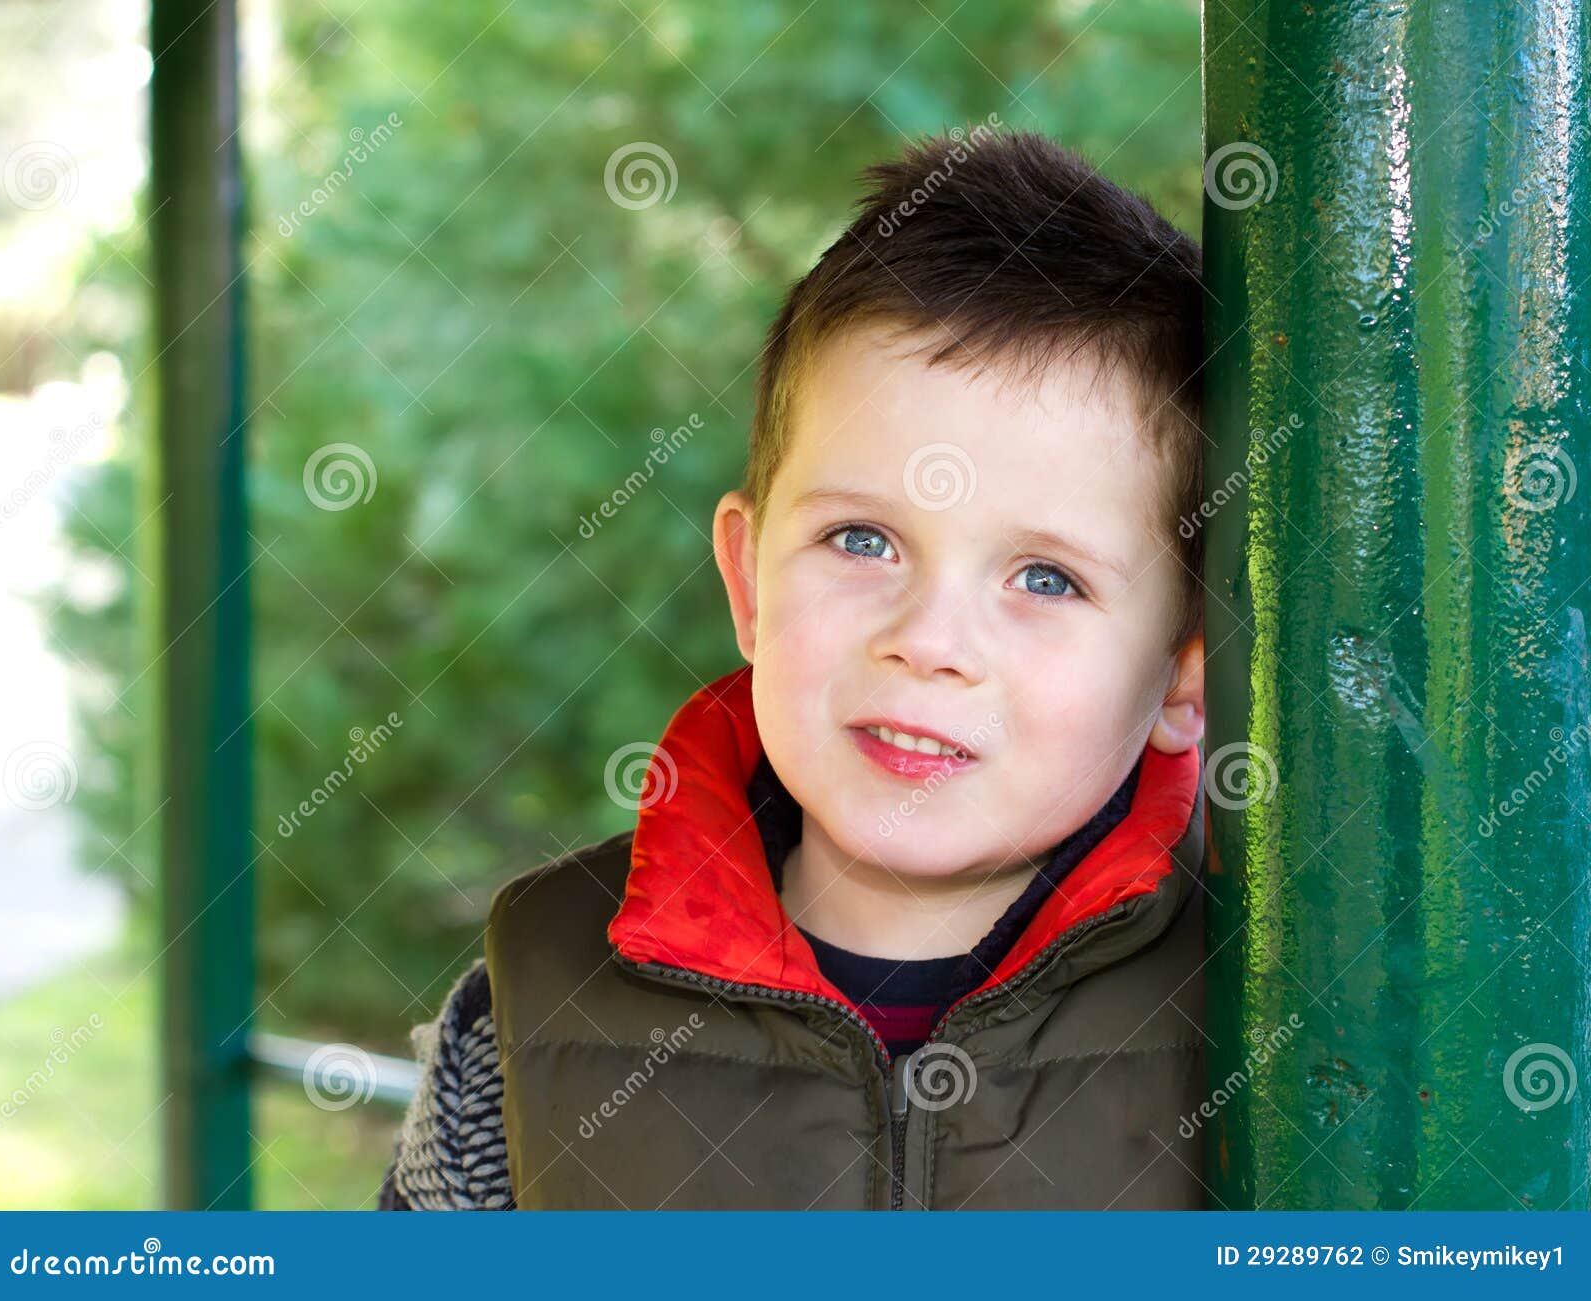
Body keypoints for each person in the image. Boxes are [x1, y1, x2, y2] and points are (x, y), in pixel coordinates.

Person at [378, 127, 1207, 1211]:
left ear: (1183, 675)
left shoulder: (1263, 1007)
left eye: (1045, 578)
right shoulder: (533, 1001)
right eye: (863, 540)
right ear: (749, 581)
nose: (928, 639)